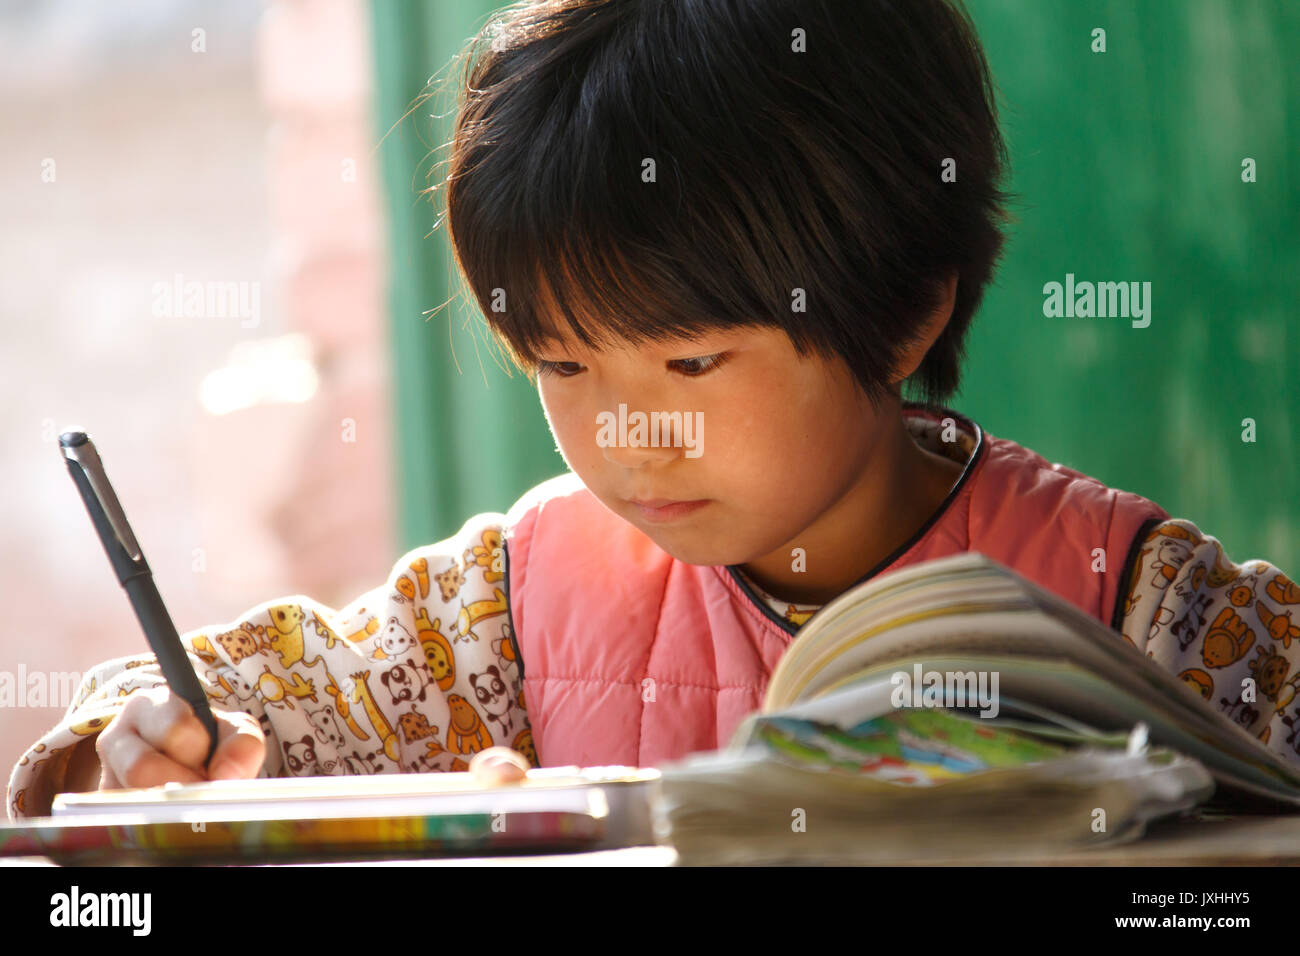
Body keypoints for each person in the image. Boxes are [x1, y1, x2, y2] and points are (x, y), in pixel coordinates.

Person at [10, 0, 1300, 820]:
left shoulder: (1142, 604)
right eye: (566, 367)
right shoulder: (505, 613)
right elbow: (260, 700)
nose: (626, 438)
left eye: (690, 367)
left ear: (907, 309)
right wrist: (130, 747)